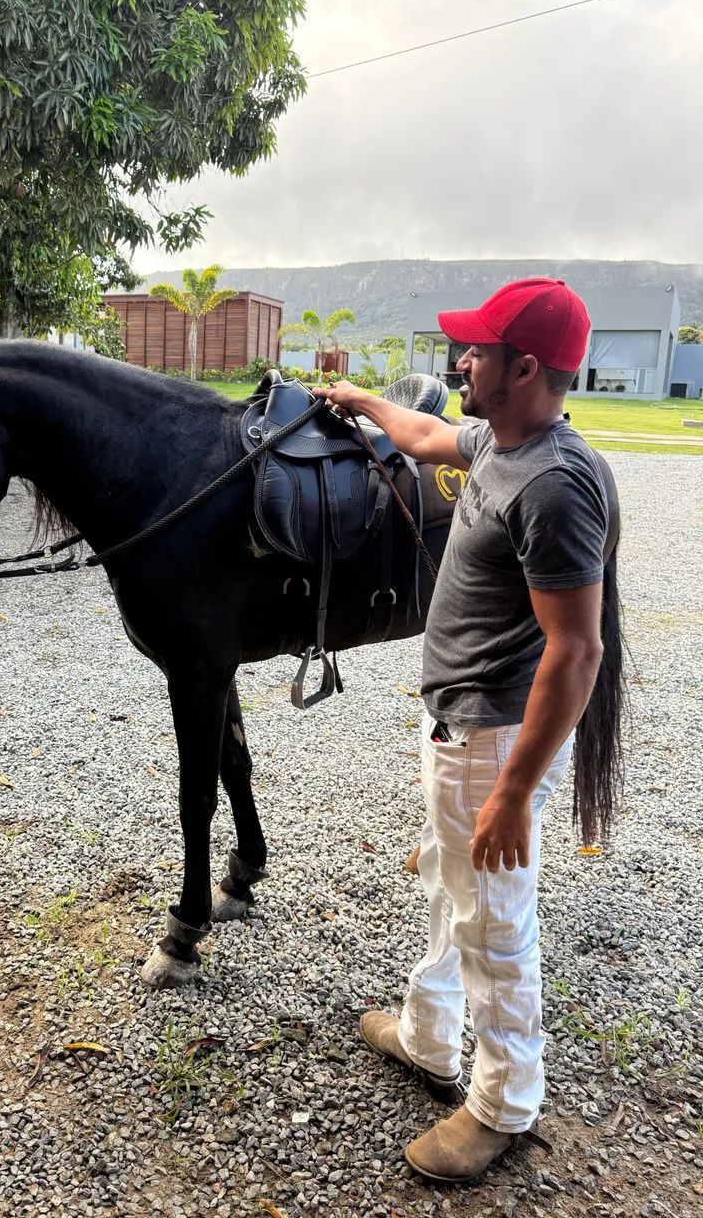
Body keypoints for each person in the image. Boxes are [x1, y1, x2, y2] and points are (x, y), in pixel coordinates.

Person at [315, 278, 616, 1182]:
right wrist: (358, 400)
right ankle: (427, 1034)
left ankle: (501, 1105)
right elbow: (419, 433)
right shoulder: (498, 440)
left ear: (525, 367)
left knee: (492, 921)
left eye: (479, 352)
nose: (461, 362)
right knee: (454, 891)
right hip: (459, 728)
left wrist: (516, 794)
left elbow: (577, 651)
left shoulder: (556, 487)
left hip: (493, 740)